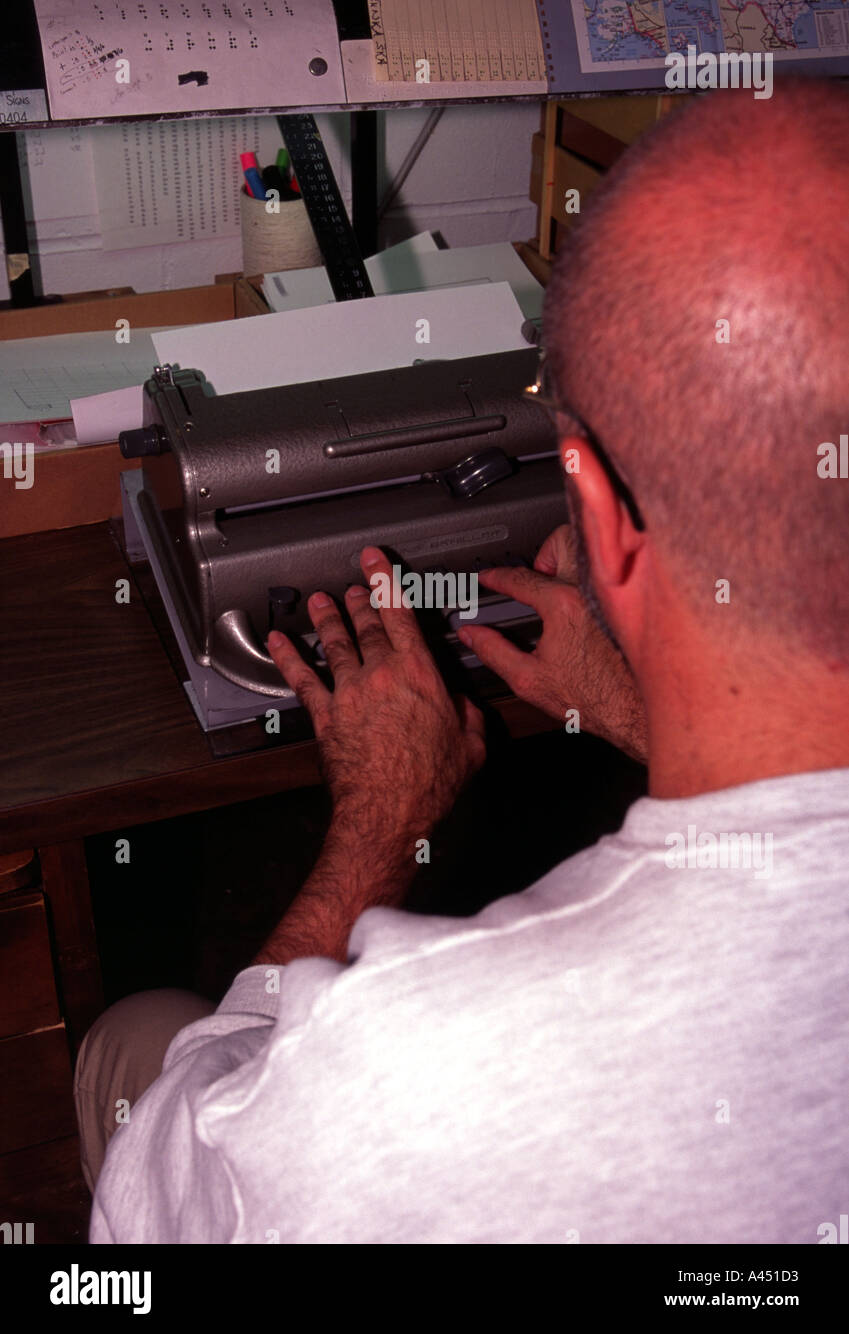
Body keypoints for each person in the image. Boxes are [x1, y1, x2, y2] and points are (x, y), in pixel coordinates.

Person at [80, 80, 849, 1243]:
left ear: (591, 506)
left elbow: (151, 1210)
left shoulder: (405, 1057)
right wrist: (642, 713)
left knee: (141, 1037)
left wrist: (380, 827)